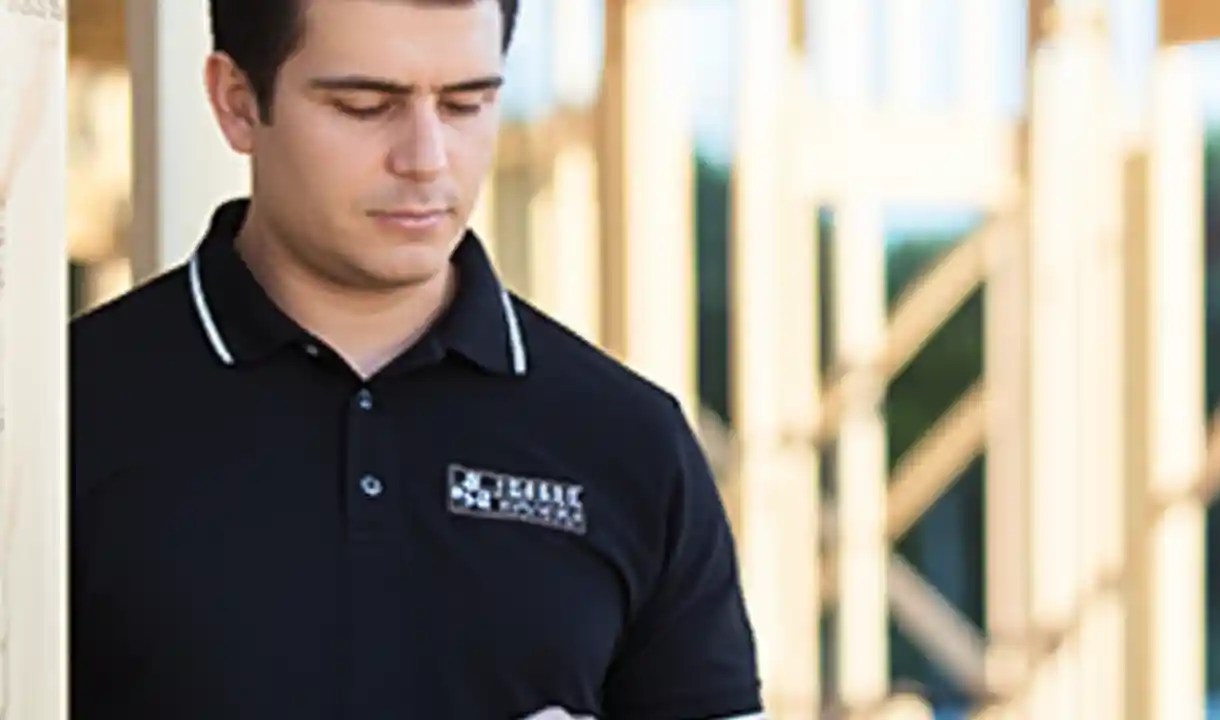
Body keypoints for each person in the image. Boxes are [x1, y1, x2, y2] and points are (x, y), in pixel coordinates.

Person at [70, 1, 762, 718]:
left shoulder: (630, 440)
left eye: (465, 104)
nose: (426, 158)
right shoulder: (61, 410)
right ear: (238, 102)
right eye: (365, 106)